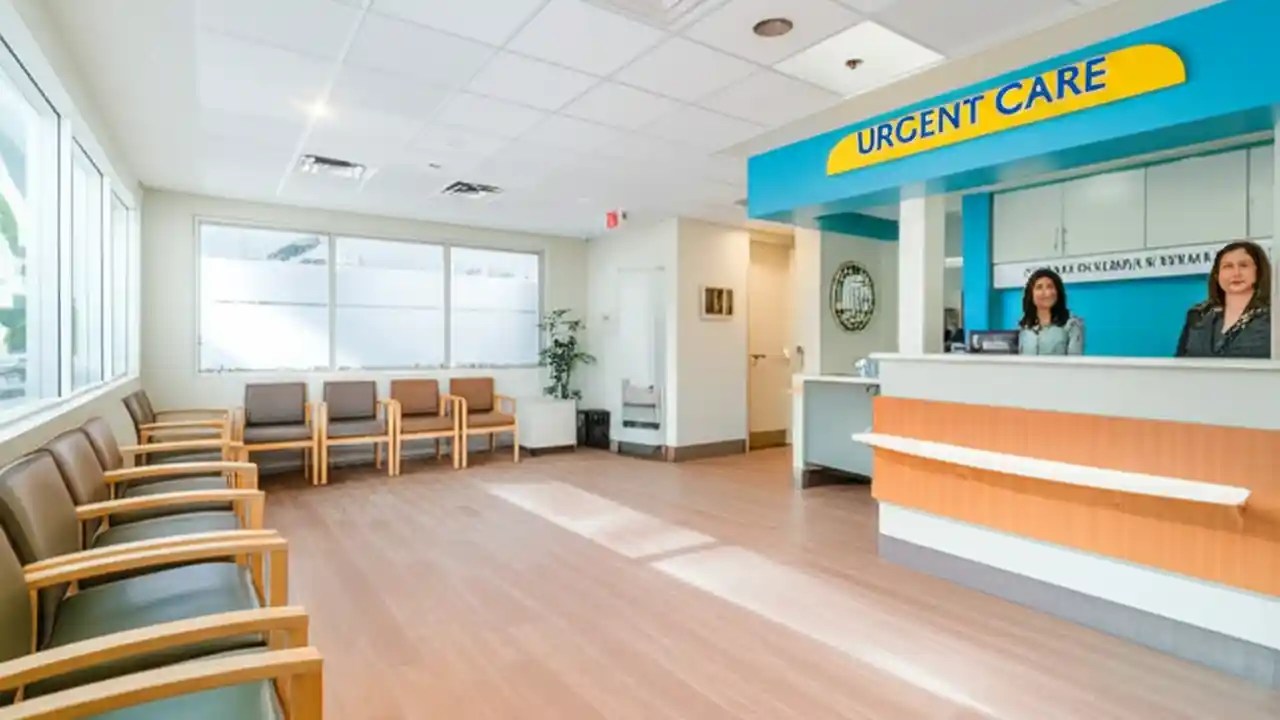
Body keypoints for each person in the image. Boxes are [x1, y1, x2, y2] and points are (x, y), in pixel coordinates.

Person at [1175, 240, 1271, 358]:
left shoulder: (1273, 316)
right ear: (1217, 275)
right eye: (1228, 266)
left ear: (1259, 271)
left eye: (1243, 265)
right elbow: (1180, 364)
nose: (1236, 273)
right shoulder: (1198, 315)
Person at [1017, 268, 1083, 355]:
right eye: (1039, 287)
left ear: (1057, 292)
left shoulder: (1072, 324)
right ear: (1031, 294)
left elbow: (1075, 364)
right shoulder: (1024, 326)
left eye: (1050, 287)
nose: (1047, 293)